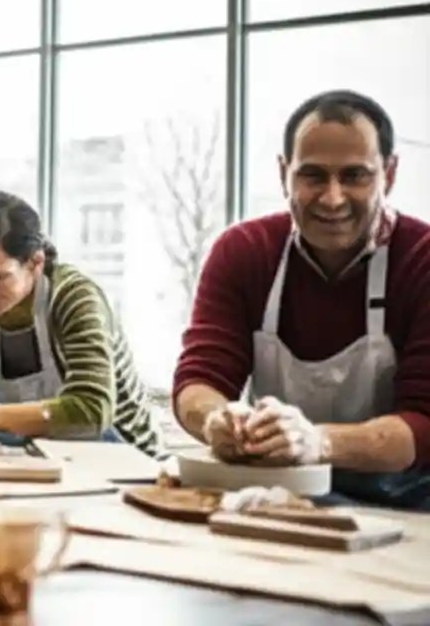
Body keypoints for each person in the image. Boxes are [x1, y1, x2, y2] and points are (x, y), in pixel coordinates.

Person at [173, 90, 430, 510]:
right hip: (281, 495)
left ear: (390, 173)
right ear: (283, 173)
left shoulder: (421, 259)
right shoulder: (243, 251)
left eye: (354, 176)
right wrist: (218, 421)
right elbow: (199, 381)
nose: (332, 198)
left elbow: (424, 423)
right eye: (312, 176)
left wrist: (318, 441)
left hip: (409, 503)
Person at [0, 191, 165, 457]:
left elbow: (92, 410)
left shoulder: (75, 299)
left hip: (130, 467)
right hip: (51, 463)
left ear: (36, 262)